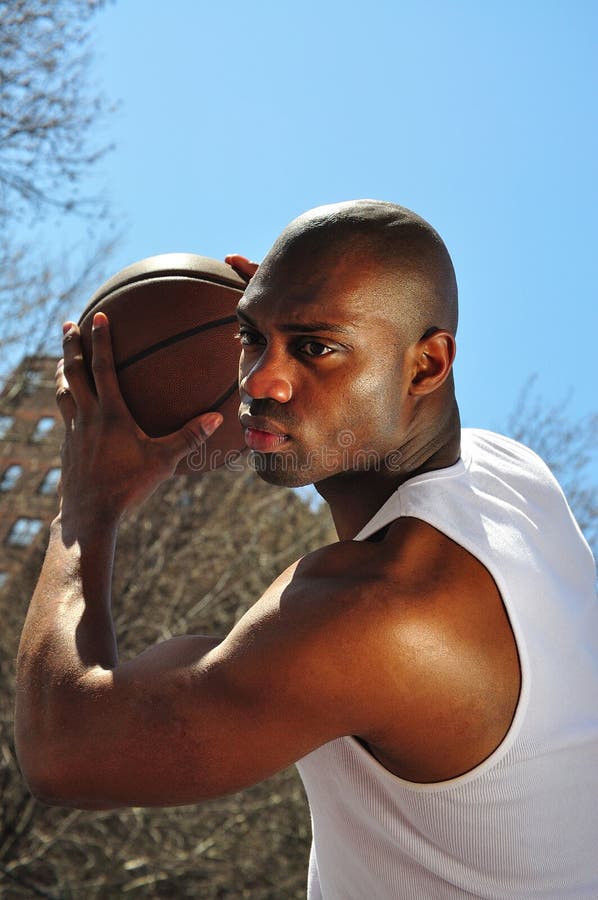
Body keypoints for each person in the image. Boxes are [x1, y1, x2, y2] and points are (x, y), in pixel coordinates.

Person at [15, 201, 598, 899]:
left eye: (315, 348)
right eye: (250, 336)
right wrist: (302, 311)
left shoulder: (383, 611)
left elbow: (65, 751)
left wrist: (87, 503)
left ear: (425, 366)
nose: (260, 380)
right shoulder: (508, 475)